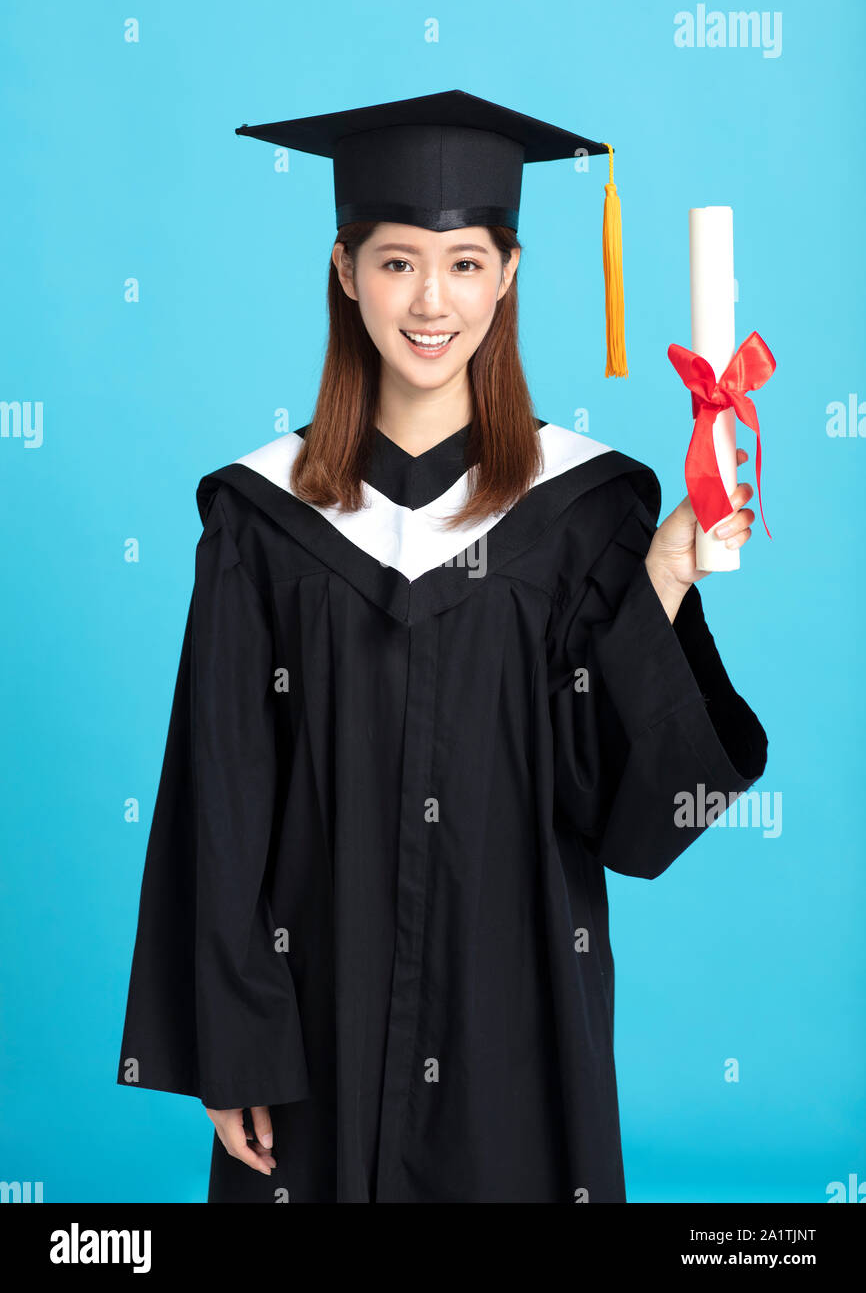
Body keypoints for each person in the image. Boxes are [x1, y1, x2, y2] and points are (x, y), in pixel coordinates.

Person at [116, 91, 768, 1203]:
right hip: (316, 1003)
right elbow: (220, 795)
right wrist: (231, 1042)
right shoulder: (257, 521)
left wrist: (659, 576)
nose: (431, 301)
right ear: (343, 270)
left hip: (515, 1000)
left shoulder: (587, 511)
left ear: (507, 275)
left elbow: (628, 809)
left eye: (465, 263)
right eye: (397, 262)